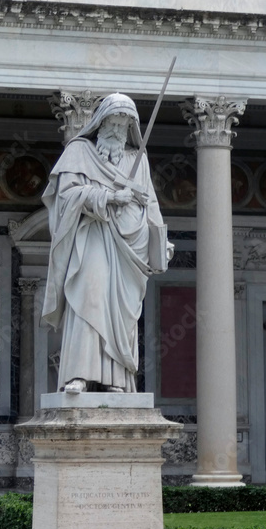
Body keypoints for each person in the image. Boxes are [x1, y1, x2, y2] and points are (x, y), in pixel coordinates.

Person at [41, 93, 171, 393]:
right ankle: (78, 374)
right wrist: (110, 197)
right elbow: (65, 197)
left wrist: (159, 239)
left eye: (123, 126)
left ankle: (118, 378)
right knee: (90, 295)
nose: (116, 132)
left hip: (128, 244)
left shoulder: (136, 159)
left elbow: (150, 202)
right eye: (112, 124)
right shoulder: (79, 152)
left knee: (121, 311)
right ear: (99, 123)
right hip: (92, 237)